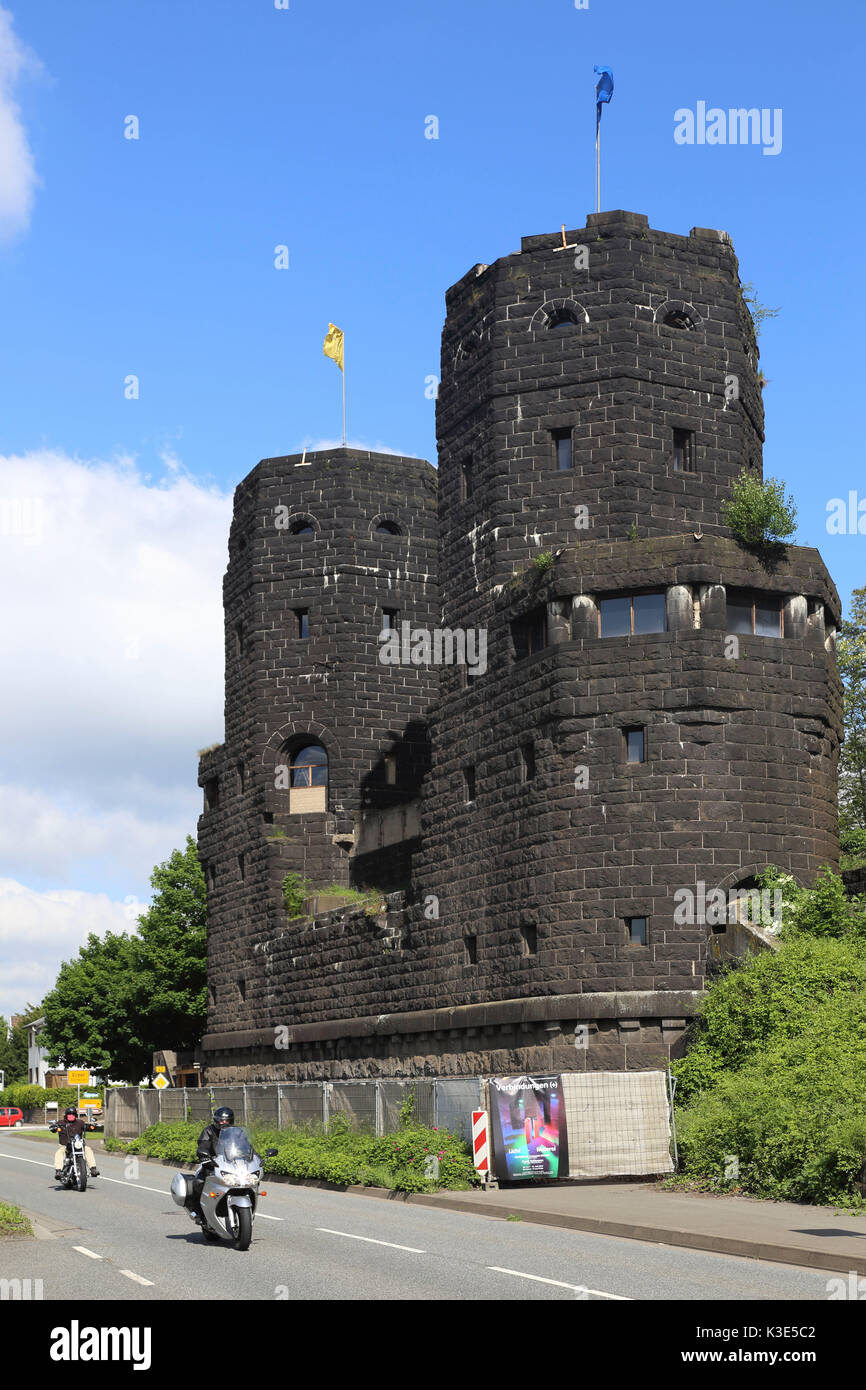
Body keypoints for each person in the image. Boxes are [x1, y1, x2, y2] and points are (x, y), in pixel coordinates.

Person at [189, 1106, 234, 1224]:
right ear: (216, 1120)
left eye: (226, 1120)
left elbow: (247, 1147)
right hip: (211, 1164)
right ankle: (197, 1211)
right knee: (199, 1182)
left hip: (231, 1165)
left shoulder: (236, 1132)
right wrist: (204, 1156)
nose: (224, 1123)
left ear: (231, 1120)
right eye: (221, 1120)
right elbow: (203, 1145)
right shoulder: (209, 1131)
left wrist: (256, 1156)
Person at [53, 1106, 99, 1180]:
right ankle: (58, 1171)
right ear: (66, 1115)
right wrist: (54, 1127)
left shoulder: (80, 1122)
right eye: (69, 1114)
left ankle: (93, 1169)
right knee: (59, 1152)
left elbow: (86, 1127)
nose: (71, 1116)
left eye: (73, 1114)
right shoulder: (61, 1123)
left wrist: (92, 1126)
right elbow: (53, 1127)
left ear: (75, 1115)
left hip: (78, 1145)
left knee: (88, 1149)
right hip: (65, 1145)